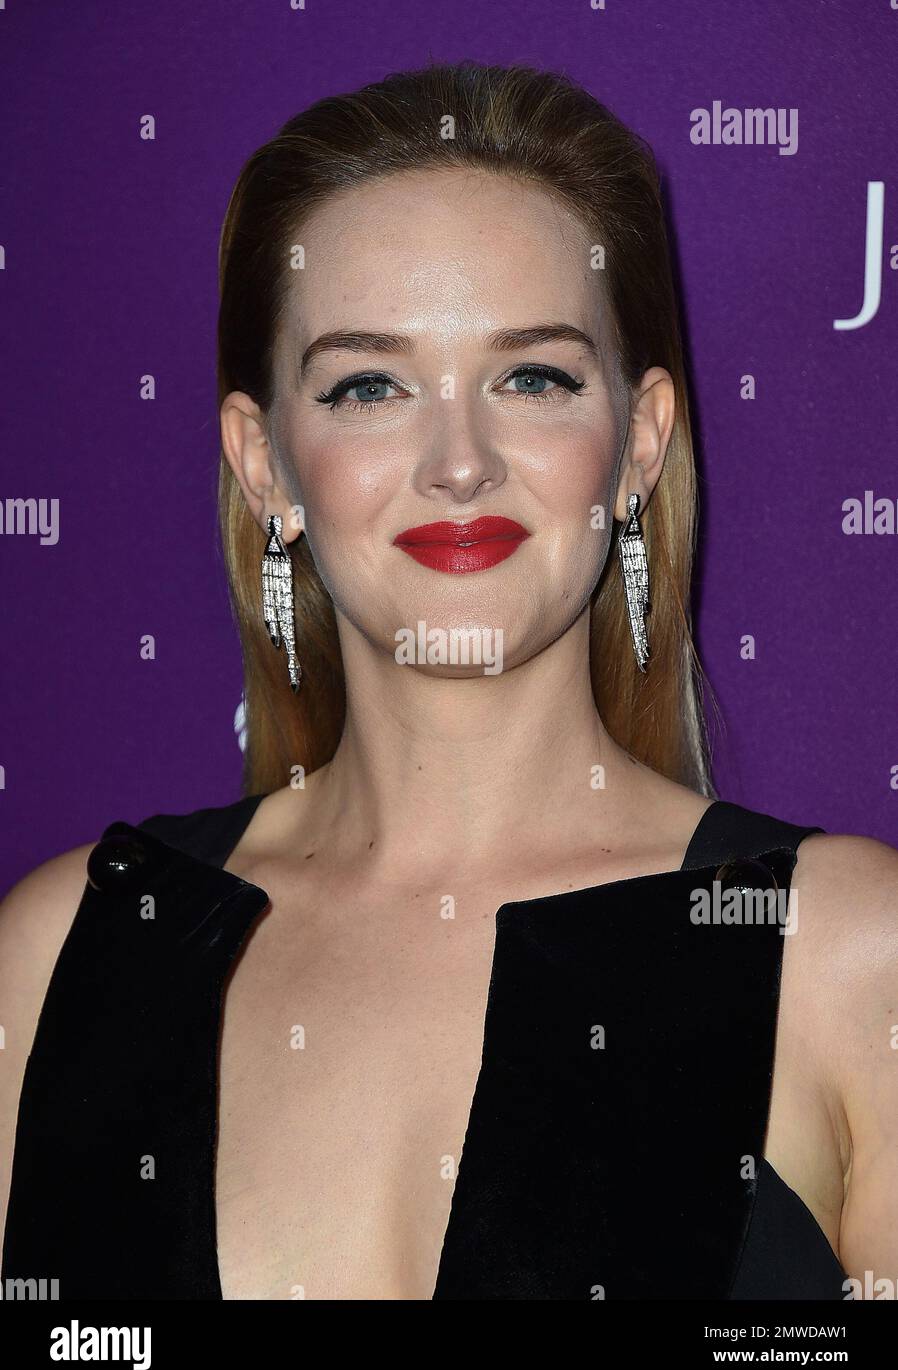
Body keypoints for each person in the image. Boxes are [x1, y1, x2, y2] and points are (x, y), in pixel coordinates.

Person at [2, 61, 897, 1301]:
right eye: (369, 384)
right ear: (264, 465)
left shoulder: (848, 952)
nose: (459, 462)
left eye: (531, 376)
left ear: (636, 447)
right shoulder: (61, 955)